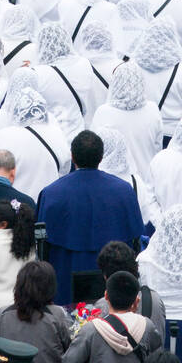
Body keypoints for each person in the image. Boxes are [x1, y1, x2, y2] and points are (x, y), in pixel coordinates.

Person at [36, 130, 144, 304]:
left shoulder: (51, 193)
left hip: (65, 276)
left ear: (72, 156)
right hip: (112, 281)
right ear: (101, 157)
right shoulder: (124, 191)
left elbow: (41, 245)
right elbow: (136, 240)